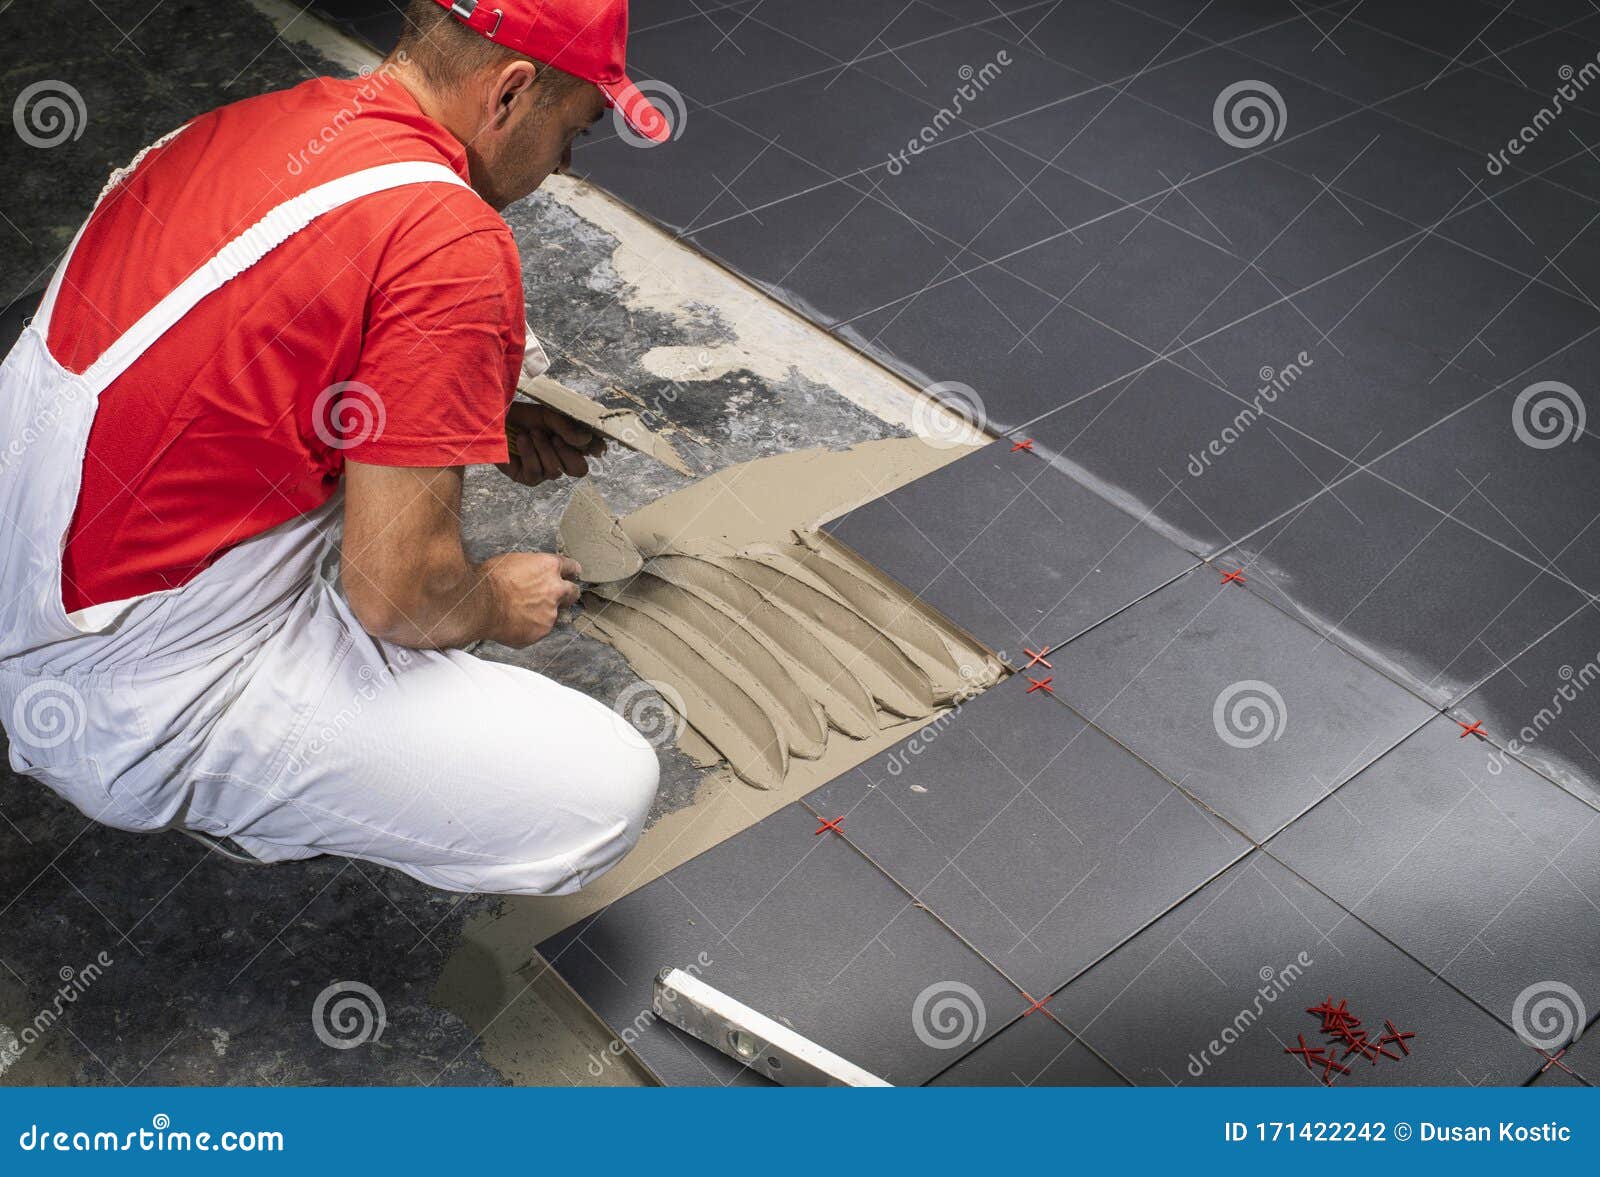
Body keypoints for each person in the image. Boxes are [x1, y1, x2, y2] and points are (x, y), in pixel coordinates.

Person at [0, 0, 671, 894]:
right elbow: (401, 597)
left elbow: (269, 335)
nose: (566, 164)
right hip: (130, 692)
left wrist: (473, 409)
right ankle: (232, 785)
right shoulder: (454, 247)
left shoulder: (248, 124)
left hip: (27, 552)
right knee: (602, 790)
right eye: (572, 130)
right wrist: (492, 601)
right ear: (511, 93)